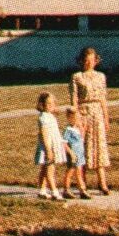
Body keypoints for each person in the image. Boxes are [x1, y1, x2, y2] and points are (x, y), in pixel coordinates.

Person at [69, 46, 111, 195]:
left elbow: (103, 98)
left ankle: (103, 183)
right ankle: (83, 183)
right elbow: (74, 99)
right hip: (83, 113)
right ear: (81, 61)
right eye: (86, 61)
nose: (89, 63)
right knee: (83, 148)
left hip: (97, 113)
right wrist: (76, 119)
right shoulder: (77, 77)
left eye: (92, 61)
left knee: (100, 147)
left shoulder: (101, 76)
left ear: (96, 61)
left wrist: (106, 118)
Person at [33, 92, 66, 200]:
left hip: (52, 145)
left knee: (44, 168)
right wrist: (48, 150)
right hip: (48, 147)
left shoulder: (50, 116)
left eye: (53, 103)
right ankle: (54, 192)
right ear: (42, 105)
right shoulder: (44, 118)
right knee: (50, 170)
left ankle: (42, 190)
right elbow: (44, 134)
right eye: (48, 103)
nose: (52, 105)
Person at [60, 106, 90, 199]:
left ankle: (82, 189)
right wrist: (71, 153)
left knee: (79, 172)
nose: (76, 120)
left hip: (80, 154)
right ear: (69, 118)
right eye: (73, 118)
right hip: (72, 154)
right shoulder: (68, 130)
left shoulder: (77, 129)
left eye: (77, 118)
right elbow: (64, 143)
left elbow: (82, 138)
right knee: (70, 171)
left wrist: (83, 126)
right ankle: (66, 189)